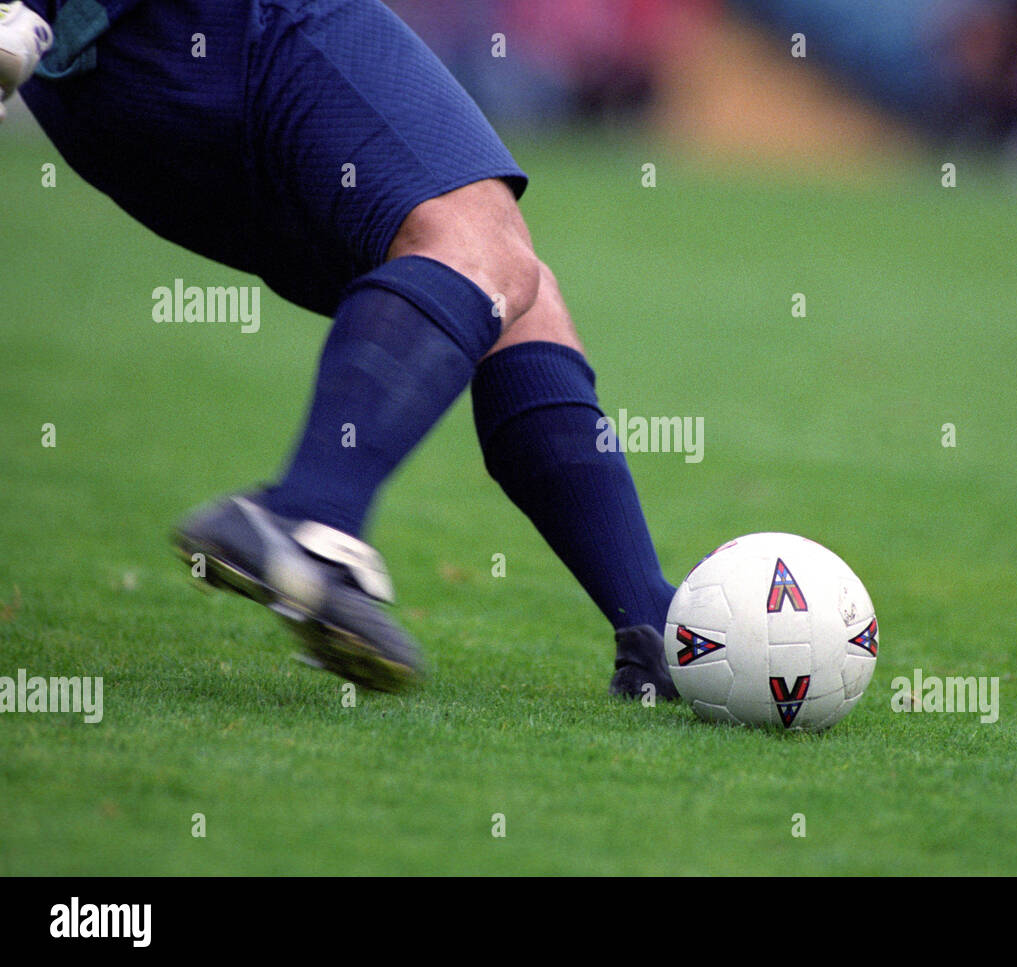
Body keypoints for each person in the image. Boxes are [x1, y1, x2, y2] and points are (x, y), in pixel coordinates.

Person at [0, 0, 679, 698]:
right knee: (481, 248)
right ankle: (306, 521)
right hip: (215, 26)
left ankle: (653, 634)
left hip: (103, 93)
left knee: (495, 285)